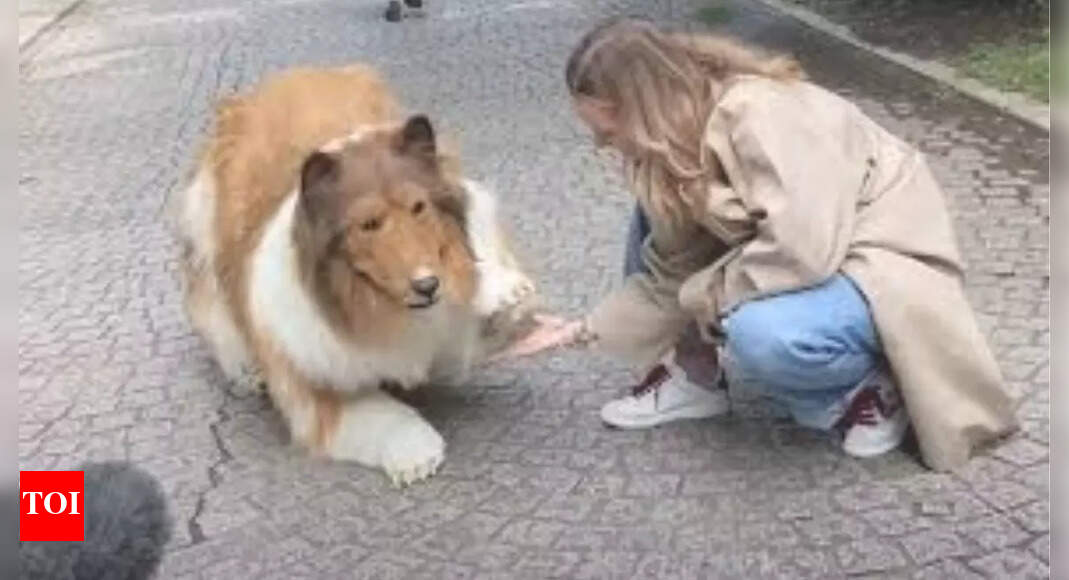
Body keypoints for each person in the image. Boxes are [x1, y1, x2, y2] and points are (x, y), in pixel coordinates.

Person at [499, 17, 1017, 470]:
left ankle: (872, 387)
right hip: (816, 260)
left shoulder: (762, 114)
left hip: (881, 261)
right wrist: (578, 331)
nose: (600, 143)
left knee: (763, 332)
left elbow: (804, 251)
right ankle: (693, 375)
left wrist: (707, 296)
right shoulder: (676, 145)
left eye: (605, 127)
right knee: (652, 210)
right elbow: (668, 273)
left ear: (641, 106)